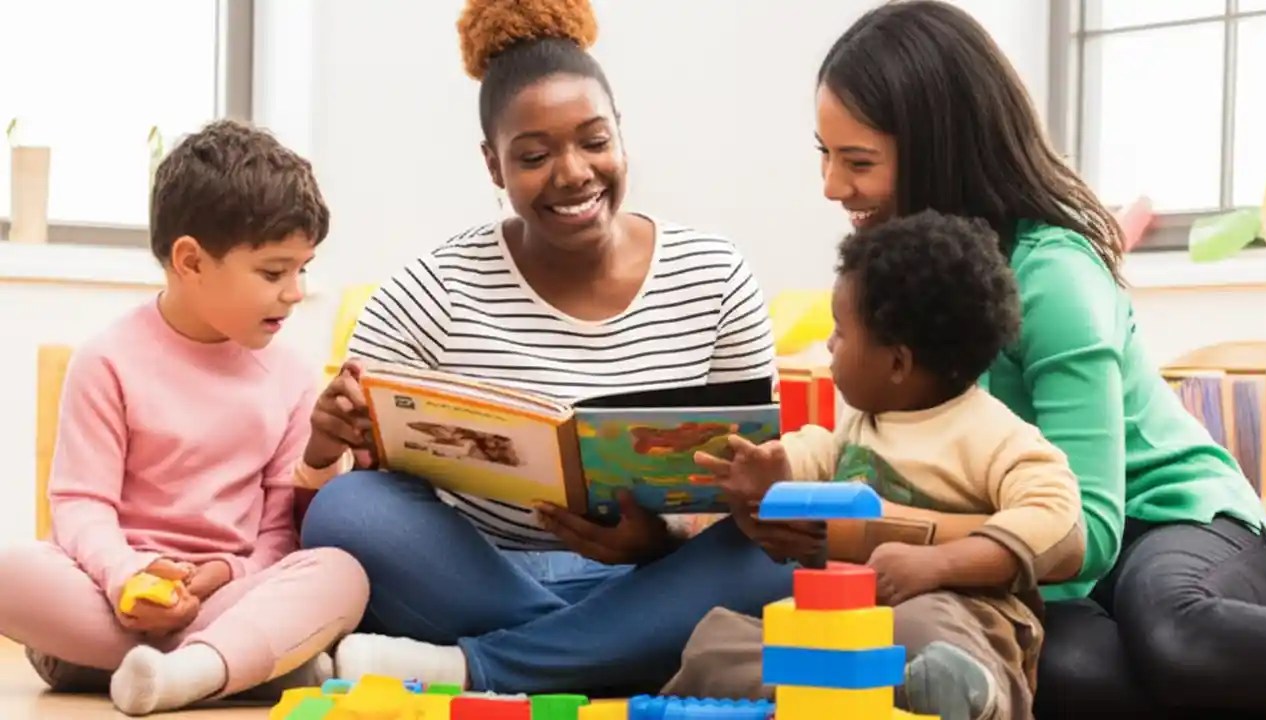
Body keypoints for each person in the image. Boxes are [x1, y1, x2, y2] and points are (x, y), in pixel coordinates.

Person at [756, 1, 1266, 717]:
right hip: (1032, 557)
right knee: (1065, 674)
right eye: (824, 153)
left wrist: (883, 533)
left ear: (938, 148)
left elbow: (1089, 527)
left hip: (1160, 518)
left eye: (858, 161)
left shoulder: (1052, 274)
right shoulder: (897, 284)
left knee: (1177, 635)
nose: (831, 186)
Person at [294, 0, 793, 696]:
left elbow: (745, 485)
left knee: (787, 549)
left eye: (594, 141)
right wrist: (325, 447)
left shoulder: (715, 275)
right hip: (478, 571)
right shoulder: (429, 290)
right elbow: (321, 499)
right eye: (534, 156)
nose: (573, 173)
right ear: (494, 166)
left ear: (622, 135)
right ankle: (621, 650)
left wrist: (659, 542)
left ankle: (481, 667)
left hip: (660, 571)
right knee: (347, 510)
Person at [0, 120, 370, 716]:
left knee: (340, 572)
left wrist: (228, 570)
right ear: (191, 261)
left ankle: (174, 670)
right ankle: (233, 664)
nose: (296, 292)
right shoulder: (107, 360)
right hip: (110, 594)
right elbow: (80, 505)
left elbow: (279, 535)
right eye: (274, 272)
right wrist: (128, 577)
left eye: (303, 269)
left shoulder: (294, 378)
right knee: (11, 570)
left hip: (227, 594)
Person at [663, 211, 1086, 720]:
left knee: (923, 628)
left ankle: (969, 701)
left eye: (841, 332)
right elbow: (822, 452)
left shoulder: (991, 433)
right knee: (715, 639)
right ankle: (848, 699)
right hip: (846, 621)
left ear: (897, 364)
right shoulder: (865, 418)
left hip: (959, 612)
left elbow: (1059, 520)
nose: (829, 344)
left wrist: (939, 565)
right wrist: (777, 467)